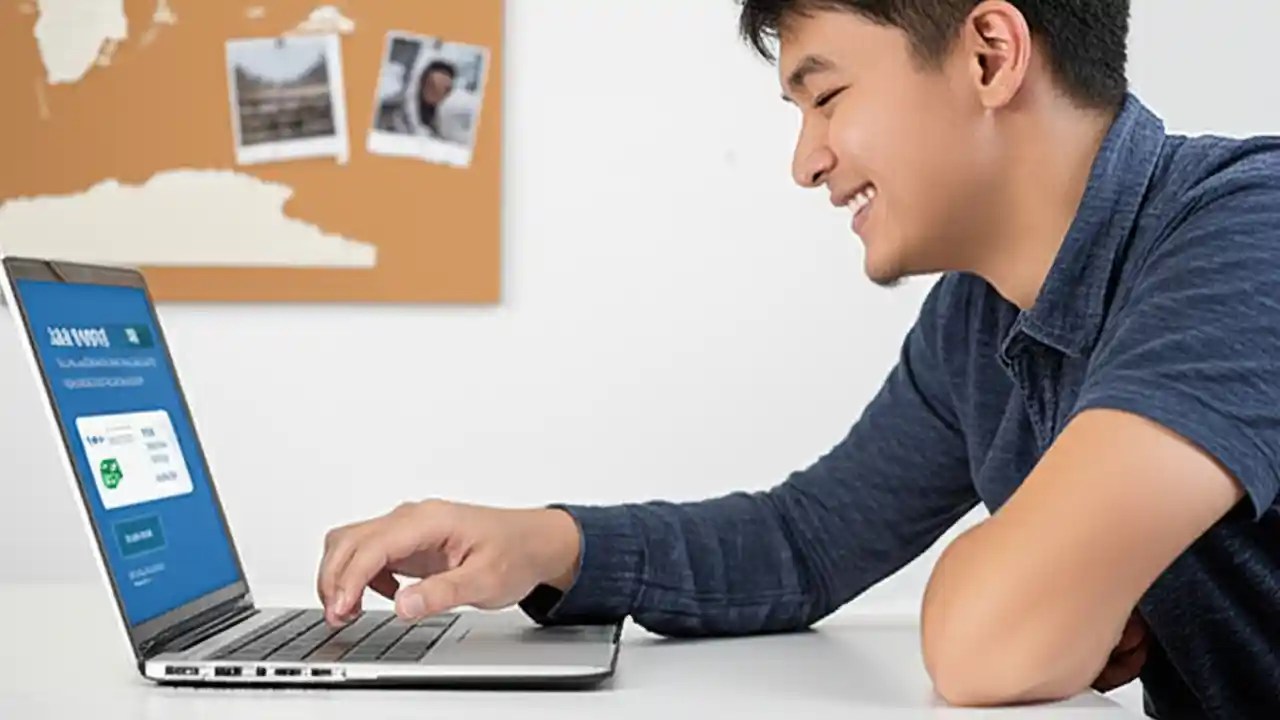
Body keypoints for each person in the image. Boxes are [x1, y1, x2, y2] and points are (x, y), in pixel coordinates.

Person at [317, 1, 1280, 717]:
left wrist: (1031, 585)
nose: (805, 160)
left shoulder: (1252, 232)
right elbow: (808, 541)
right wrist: (541, 543)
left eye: (826, 96)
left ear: (991, 55)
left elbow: (990, 641)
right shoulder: (976, 321)